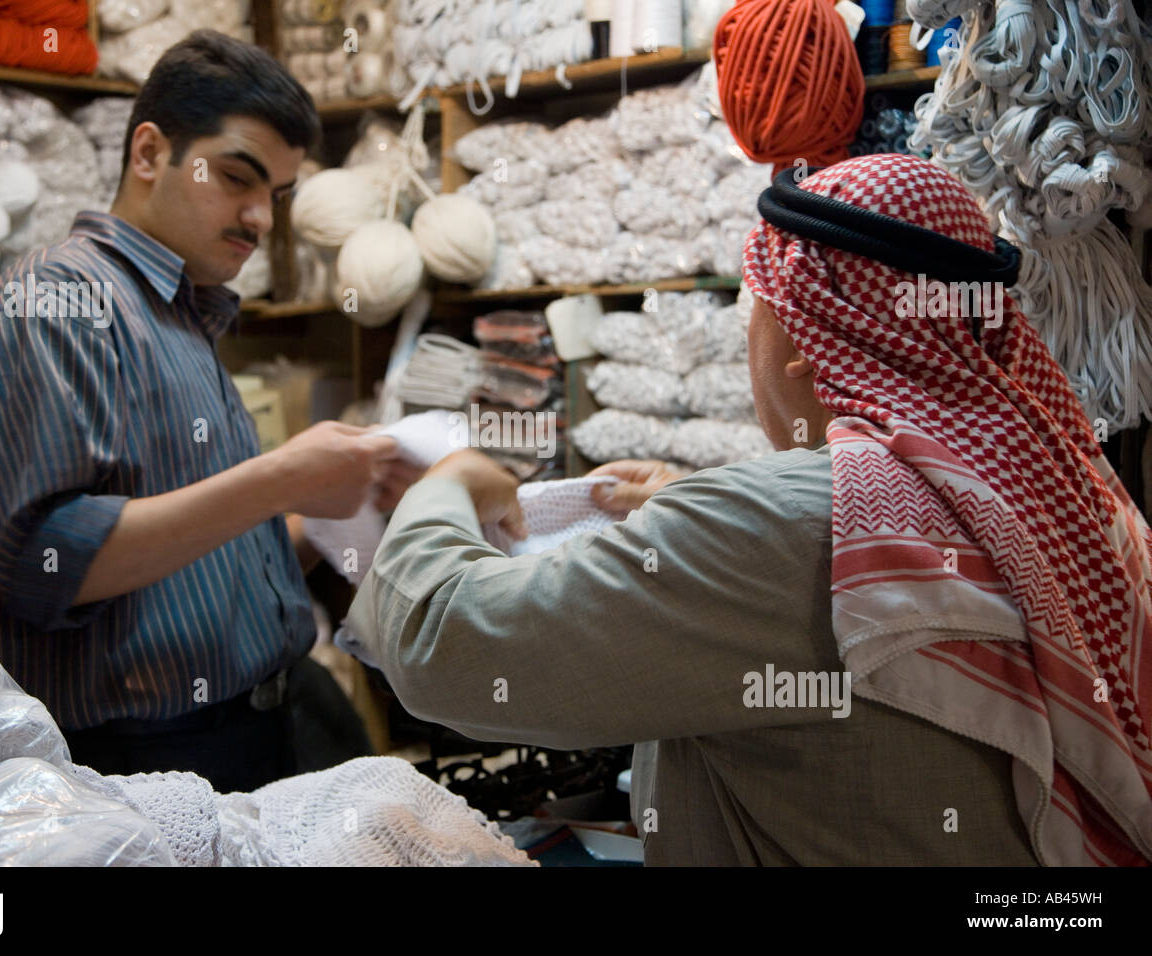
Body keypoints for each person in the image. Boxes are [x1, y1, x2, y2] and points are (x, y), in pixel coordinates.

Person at [345, 154, 1152, 865]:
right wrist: (689, 520)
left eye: (753, 311)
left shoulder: (789, 527)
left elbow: (443, 643)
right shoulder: (1070, 489)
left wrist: (443, 484)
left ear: (802, 343)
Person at [0, 31, 419, 793]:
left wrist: (337, 510)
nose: (262, 218)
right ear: (150, 153)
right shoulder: (54, 304)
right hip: (134, 762)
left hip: (247, 731)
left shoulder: (177, 314)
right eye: (237, 177)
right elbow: (44, 565)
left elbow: (193, 557)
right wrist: (280, 481)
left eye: (278, 196)